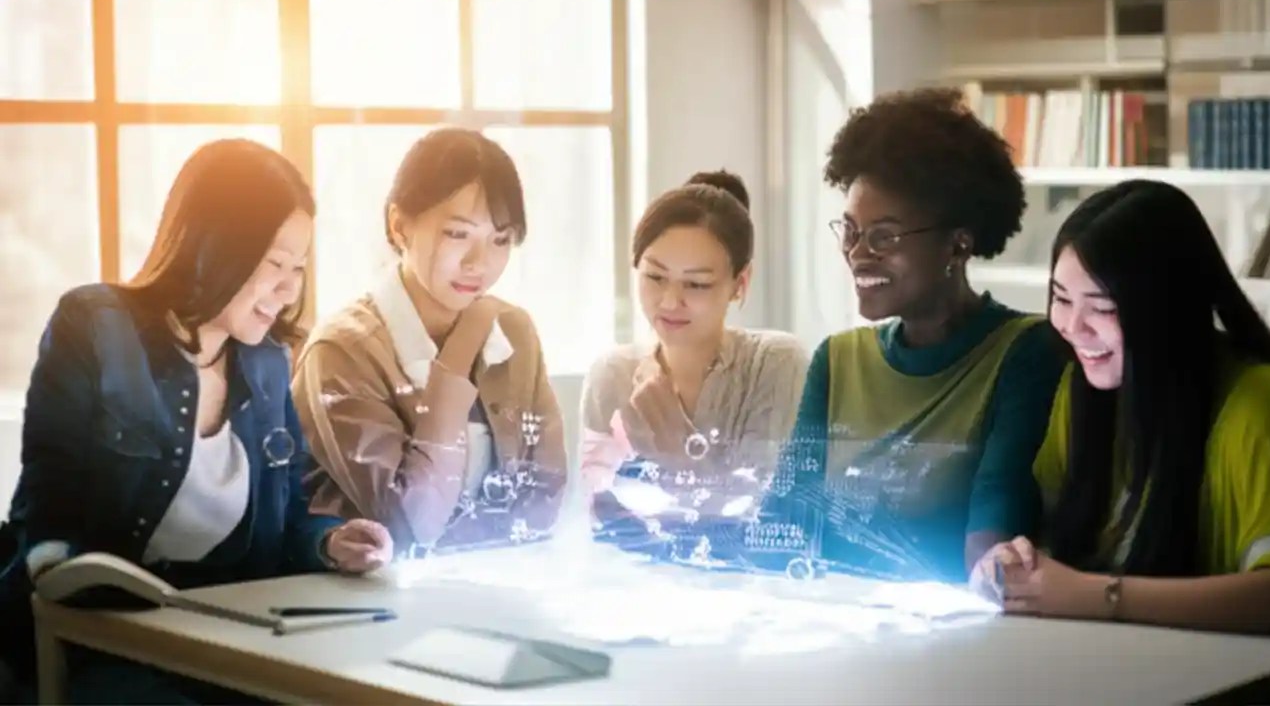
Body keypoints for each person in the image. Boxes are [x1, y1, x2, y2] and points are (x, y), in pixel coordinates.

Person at [0, 139, 392, 702]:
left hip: (224, 643)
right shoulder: (93, 327)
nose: (289, 290)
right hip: (95, 643)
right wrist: (60, 568)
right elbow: (44, 508)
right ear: (214, 249)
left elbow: (288, 524)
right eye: (274, 265)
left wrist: (331, 544)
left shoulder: (266, 365)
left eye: (299, 268)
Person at [760, 88, 1065, 584]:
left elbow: (993, 540)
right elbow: (782, 524)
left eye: (884, 236)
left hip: (954, 639)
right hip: (832, 627)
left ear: (958, 243)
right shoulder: (837, 360)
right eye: (851, 232)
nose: (858, 253)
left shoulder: (1025, 352)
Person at [973, 180, 1270, 634]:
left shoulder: (1258, 403)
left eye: (1101, 307)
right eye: (1060, 299)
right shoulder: (1080, 389)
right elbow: (1056, 543)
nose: (1072, 328)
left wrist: (1101, 595)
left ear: (1166, 309)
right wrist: (1014, 566)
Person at [293, 128, 566, 556]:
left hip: (494, 588)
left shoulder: (515, 332)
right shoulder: (342, 351)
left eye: (500, 240)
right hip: (363, 602)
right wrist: (456, 360)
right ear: (399, 227)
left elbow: (544, 493)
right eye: (458, 234)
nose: (480, 263)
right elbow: (406, 525)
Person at [580, 170, 809, 558]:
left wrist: (677, 450)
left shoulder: (775, 364)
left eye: (697, 284)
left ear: (740, 283)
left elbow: (767, 526)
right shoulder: (612, 373)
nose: (669, 301)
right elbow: (601, 523)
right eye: (654, 276)